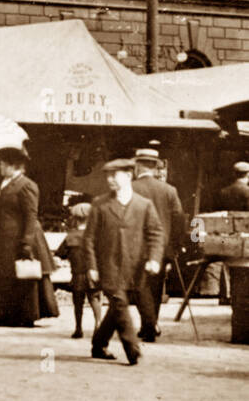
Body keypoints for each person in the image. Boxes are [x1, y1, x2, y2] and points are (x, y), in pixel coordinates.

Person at [84, 159, 163, 365]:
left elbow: (156, 234)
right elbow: (89, 239)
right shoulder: (100, 204)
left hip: (135, 267)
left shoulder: (144, 205)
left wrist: (154, 259)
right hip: (107, 266)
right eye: (107, 176)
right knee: (119, 304)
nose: (109, 180)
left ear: (128, 176)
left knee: (116, 308)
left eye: (114, 175)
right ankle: (132, 349)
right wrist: (92, 266)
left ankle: (99, 344)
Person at [0, 147, 59, 327]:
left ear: (12, 166)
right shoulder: (6, 183)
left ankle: (23, 316)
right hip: (4, 238)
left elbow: (31, 215)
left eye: (2, 164)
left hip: (19, 237)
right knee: (4, 274)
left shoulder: (27, 185)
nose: (0, 167)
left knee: (21, 276)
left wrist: (27, 242)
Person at [130, 147, 184, 343]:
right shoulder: (169, 190)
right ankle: (152, 323)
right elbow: (179, 221)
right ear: (155, 167)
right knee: (155, 287)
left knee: (139, 288)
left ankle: (149, 325)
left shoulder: (131, 188)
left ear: (138, 166)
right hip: (160, 248)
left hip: (135, 247)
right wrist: (174, 249)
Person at [56, 201, 102, 340]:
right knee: (95, 298)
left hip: (77, 274)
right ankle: (98, 323)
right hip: (92, 272)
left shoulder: (70, 236)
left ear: (75, 218)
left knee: (78, 301)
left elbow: (60, 254)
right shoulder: (96, 236)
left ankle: (78, 328)